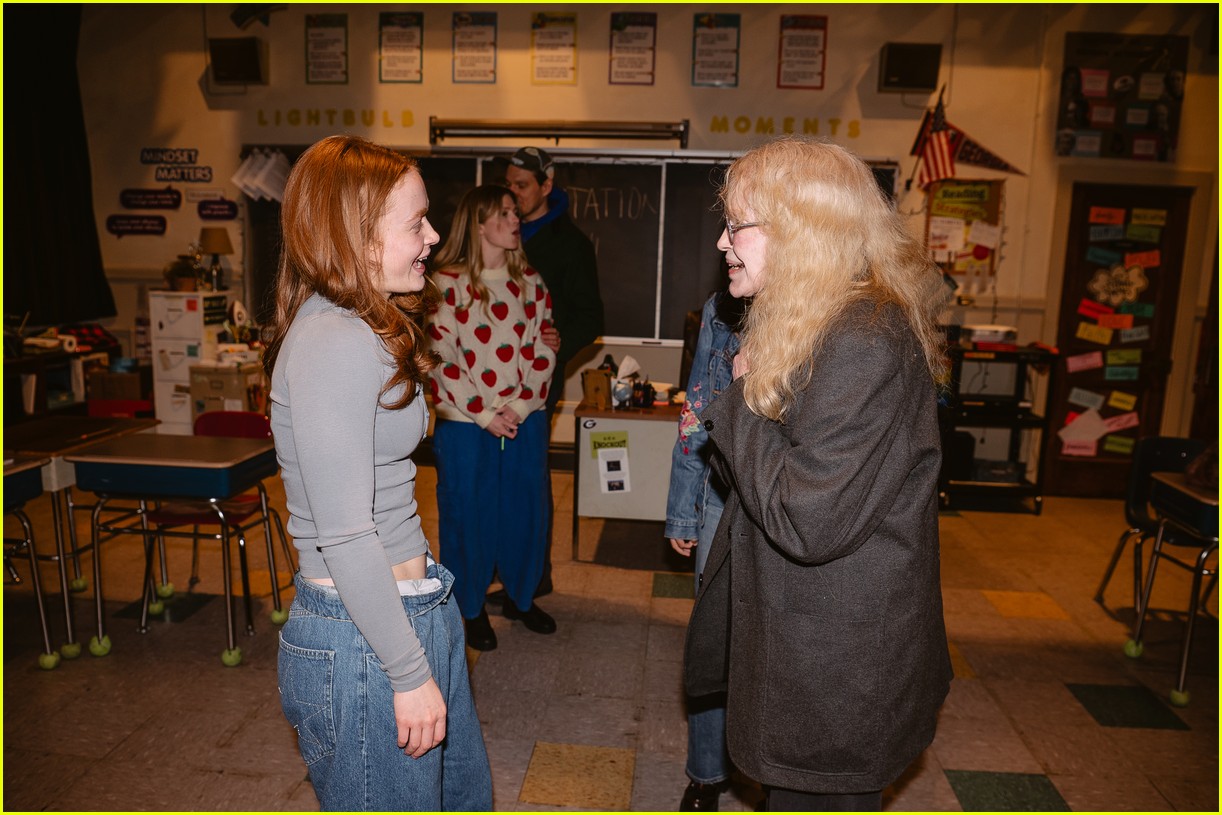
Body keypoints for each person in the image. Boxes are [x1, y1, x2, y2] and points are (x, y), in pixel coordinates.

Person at [684, 136, 952, 812]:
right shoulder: (824, 321)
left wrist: (742, 400)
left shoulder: (864, 338)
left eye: (737, 224)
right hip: (805, 650)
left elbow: (807, 519)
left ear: (798, 232)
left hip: (838, 673)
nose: (723, 242)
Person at [264, 135, 491, 811]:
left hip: (407, 611)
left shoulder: (363, 326)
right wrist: (408, 668)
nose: (432, 236)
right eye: (415, 222)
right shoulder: (333, 340)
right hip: (365, 638)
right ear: (357, 237)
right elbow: (344, 531)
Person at [426, 184, 558, 652]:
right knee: (468, 515)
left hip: (525, 417)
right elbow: (441, 354)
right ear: (479, 223)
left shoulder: (532, 283)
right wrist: (483, 414)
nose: (515, 219)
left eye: (514, 212)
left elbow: (545, 349)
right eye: (504, 213)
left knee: (527, 510)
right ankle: (470, 607)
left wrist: (518, 408)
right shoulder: (446, 283)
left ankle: (522, 598)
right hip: (466, 426)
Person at [505, 146, 605, 598]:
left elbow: (591, 317)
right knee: (493, 482)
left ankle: (534, 578)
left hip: (537, 384)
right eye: (508, 184)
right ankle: (495, 570)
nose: (513, 194)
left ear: (547, 186)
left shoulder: (571, 244)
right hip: (484, 386)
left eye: (522, 186)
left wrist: (560, 339)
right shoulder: (496, 231)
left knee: (529, 479)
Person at [665, 290, 745, 811]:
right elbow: (697, 410)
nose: (724, 242)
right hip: (721, 492)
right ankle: (707, 775)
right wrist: (682, 506)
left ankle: (770, 770)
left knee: (771, 644)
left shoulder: (828, 300)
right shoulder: (722, 307)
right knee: (714, 638)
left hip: (795, 498)